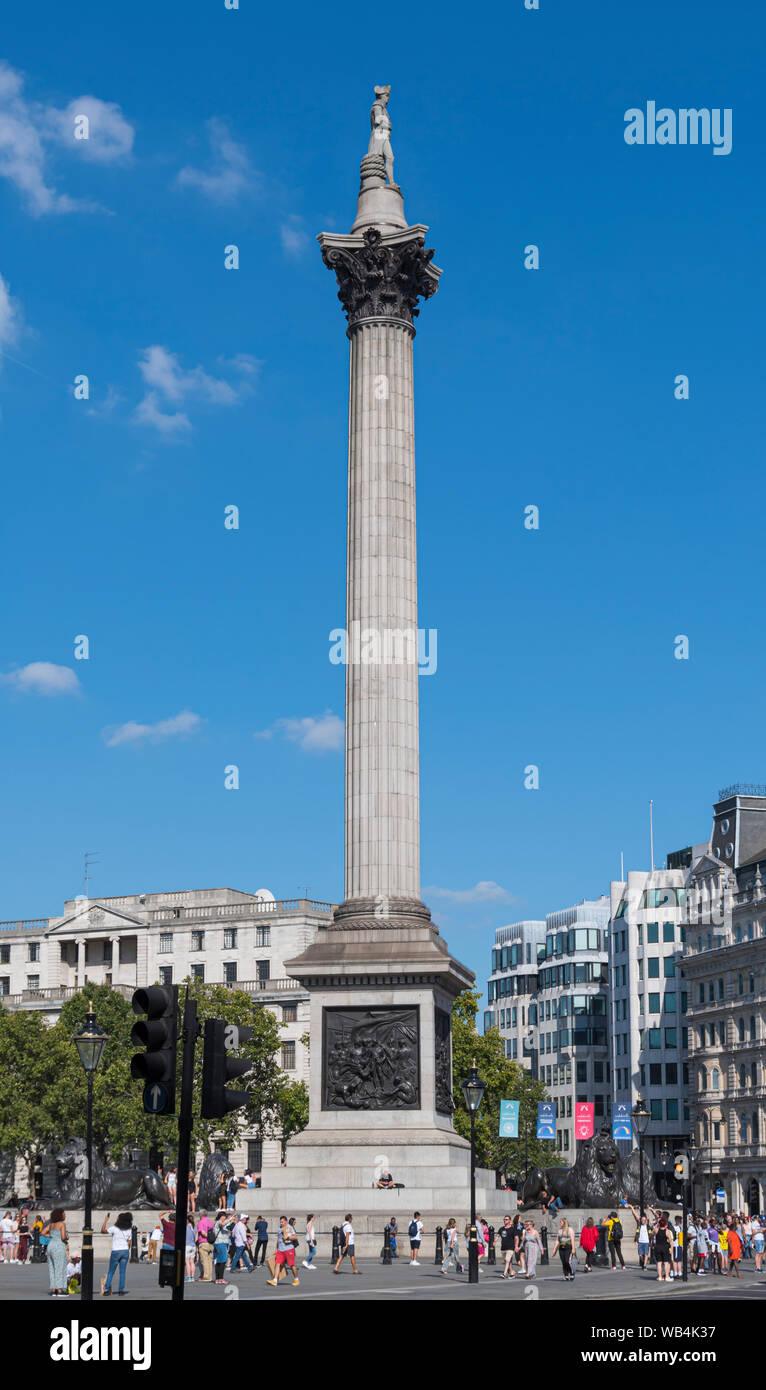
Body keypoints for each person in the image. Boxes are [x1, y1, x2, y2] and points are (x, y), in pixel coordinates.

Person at [100, 1211, 133, 1296]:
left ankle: (107, 1290)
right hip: (125, 1251)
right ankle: (121, 1291)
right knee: (122, 1272)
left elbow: (103, 1231)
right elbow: (129, 1242)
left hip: (116, 1251)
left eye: (117, 1217)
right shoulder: (129, 1229)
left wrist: (106, 1220)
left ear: (120, 1219)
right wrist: (126, 1250)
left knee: (111, 1272)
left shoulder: (114, 1228)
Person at [267, 1215, 300, 1287]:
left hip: (289, 1249)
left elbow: (295, 1237)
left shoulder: (290, 1227)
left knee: (291, 1265)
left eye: (282, 1222)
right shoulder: (279, 1229)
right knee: (277, 1263)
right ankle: (275, 1280)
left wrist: (288, 1237)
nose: (281, 1223)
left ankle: (296, 1279)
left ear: (286, 1221)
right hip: (280, 1250)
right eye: (280, 1222)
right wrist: (276, 1249)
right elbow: (278, 1240)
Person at [42, 1208, 68, 1297]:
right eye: (64, 1214)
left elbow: (42, 1232)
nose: (65, 1215)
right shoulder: (62, 1224)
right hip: (58, 1246)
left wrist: (50, 1235)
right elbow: (63, 1237)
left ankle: (53, 1289)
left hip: (50, 1246)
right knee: (59, 1267)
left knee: (52, 1268)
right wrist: (67, 1238)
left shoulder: (51, 1225)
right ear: (60, 1215)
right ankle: (59, 1290)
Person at [628, 1204, 651, 1270]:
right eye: (642, 1220)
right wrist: (636, 1241)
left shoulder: (648, 1226)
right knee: (640, 1255)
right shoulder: (639, 1226)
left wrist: (650, 1242)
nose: (643, 1221)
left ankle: (644, 1265)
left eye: (644, 1220)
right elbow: (635, 1214)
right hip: (640, 1242)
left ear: (646, 1220)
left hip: (646, 1242)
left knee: (646, 1254)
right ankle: (643, 1260)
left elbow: (651, 1235)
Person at [213, 1211, 233, 1285]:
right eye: (223, 1216)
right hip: (221, 1243)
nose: (224, 1217)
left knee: (218, 1261)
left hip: (218, 1243)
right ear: (220, 1216)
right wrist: (230, 1219)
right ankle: (221, 1278)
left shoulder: (218, 1223)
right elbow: (222, 1224)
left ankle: (218, 1279)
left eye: (225, 1216)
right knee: (223, 1261)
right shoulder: (219, 1222)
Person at [196, 1210, 215, 1282]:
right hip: (210, 1243)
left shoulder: (201, 1222)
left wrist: (207, 1237)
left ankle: (206, 1277)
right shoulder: (210, 1222)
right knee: (209, 1261)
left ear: (201, 1214)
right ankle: (209, 1276)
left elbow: (202, 1232)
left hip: (204, 1242)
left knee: (204, 1260)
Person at [653, 1216, 672, 1282]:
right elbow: (671, 1240)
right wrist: (671, 1249)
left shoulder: (656, 1230)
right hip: (665, 1248)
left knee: (659, 1262)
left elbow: (651, 1234)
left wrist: (657, 1224)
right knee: (666, 1262)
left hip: (658, 1247)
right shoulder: (667, 1231)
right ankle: (667, 1276)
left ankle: (660, 1276)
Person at [184, 1213, 197, 1283]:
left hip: (187, 1245)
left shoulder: (185, 1227)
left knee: (187, 1262)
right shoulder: (195, 1227)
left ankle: (188, 1276)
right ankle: (192, 1277)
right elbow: (196, 1238)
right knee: (192, 1262)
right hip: (193, 1245)